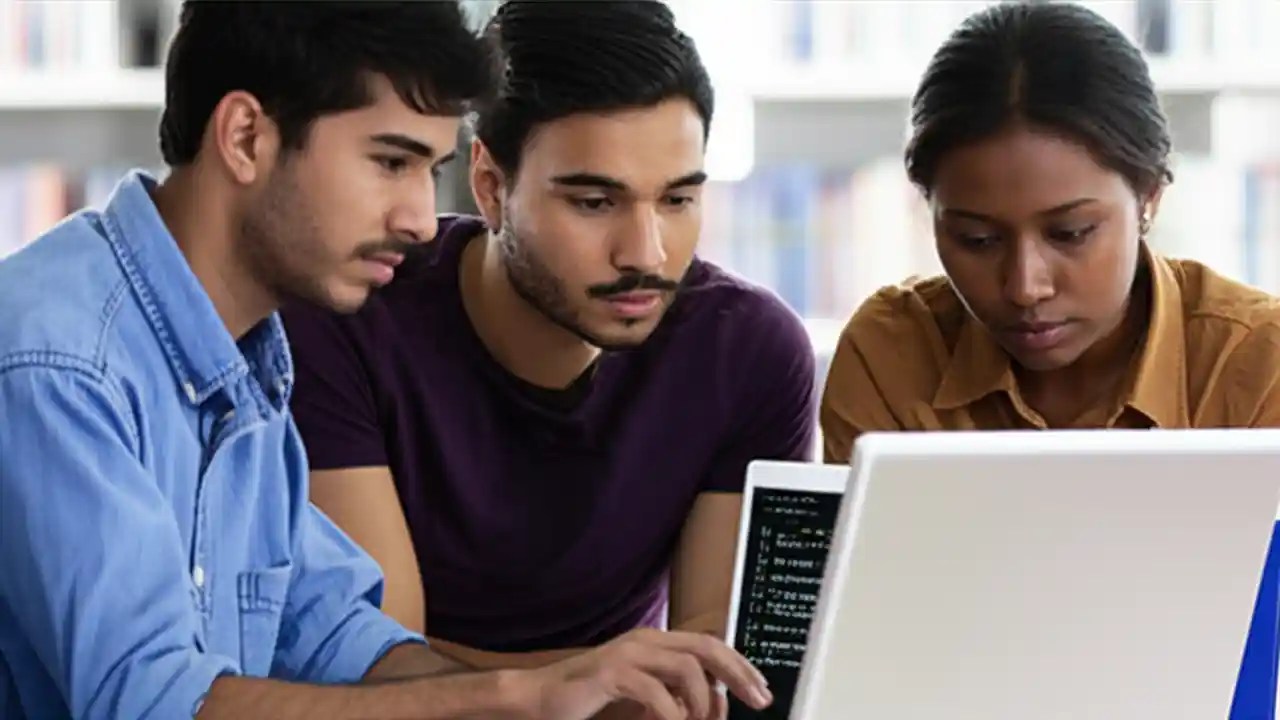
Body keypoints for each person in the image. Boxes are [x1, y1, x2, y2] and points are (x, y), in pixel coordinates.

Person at [0, 2, 774, 719]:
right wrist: (524, 693)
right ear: (245, 138)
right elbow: (154, 703)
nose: (421, 221)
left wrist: (560, 695)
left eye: (428, 171)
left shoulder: (242, 349)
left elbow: (340, 640)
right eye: (390, 162)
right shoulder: (59, 359)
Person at [279, 0, 815, 678]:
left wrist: (606, 683)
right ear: (490, 187)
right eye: (594, 203)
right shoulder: (345, 320)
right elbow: (379, 665)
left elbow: (718, 674)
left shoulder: (750, 354)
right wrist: (589, 682)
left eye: (677, 200)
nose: (645, 253)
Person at [820, 0, 1280, 462]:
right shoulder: (893, 357)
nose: (1025, 288)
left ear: (1149, 198)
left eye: (1071, 233)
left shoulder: (1258, 362)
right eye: (977, 240)